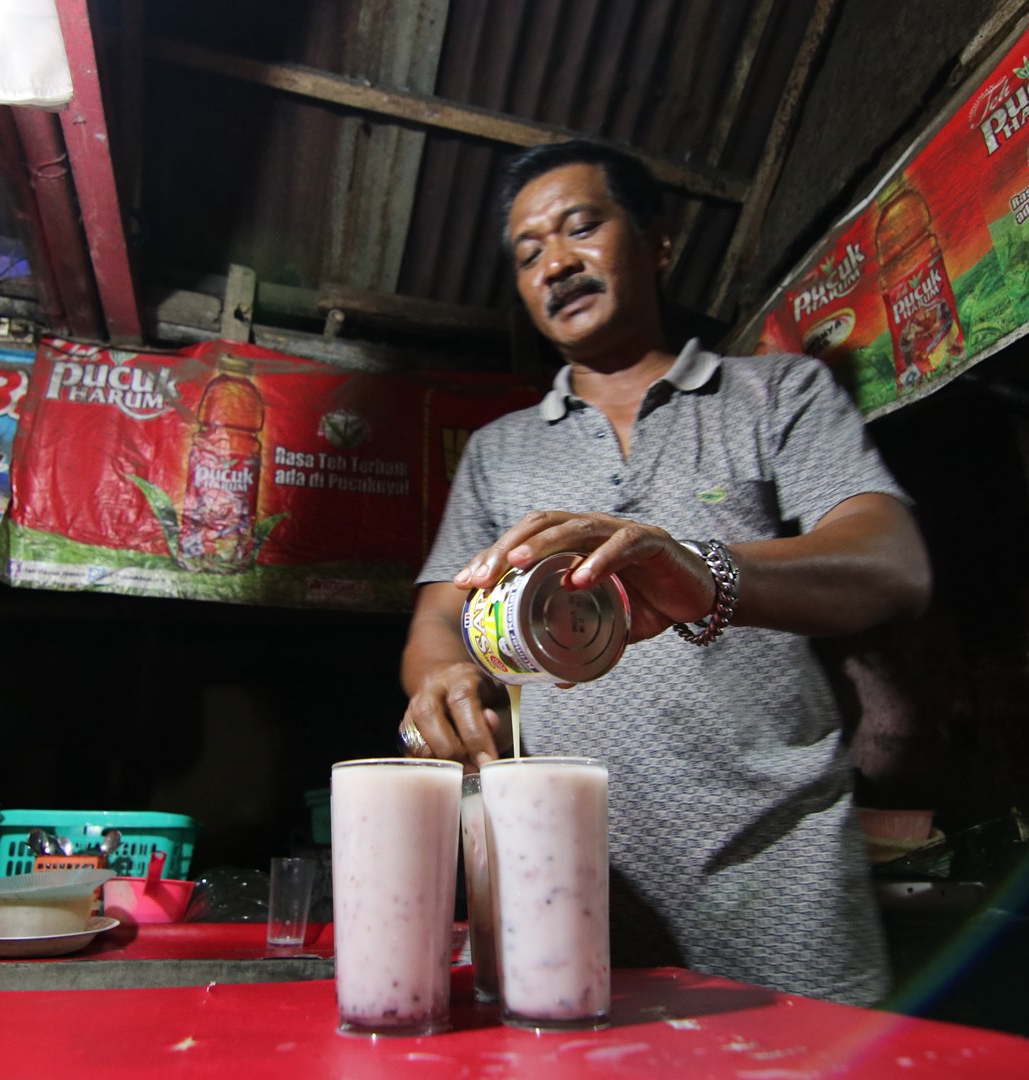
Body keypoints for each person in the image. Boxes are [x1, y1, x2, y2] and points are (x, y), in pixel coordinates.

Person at [398, 139, 932, 1006]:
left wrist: (704, 572)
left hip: (782, 889)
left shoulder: (777, 395)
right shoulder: (499, 452)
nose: (555, 265)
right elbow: (436, 621)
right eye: (528, 254)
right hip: (568, 892)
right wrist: (442, 680)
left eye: (581, 227)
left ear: (658, 243)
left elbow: (892, 563)